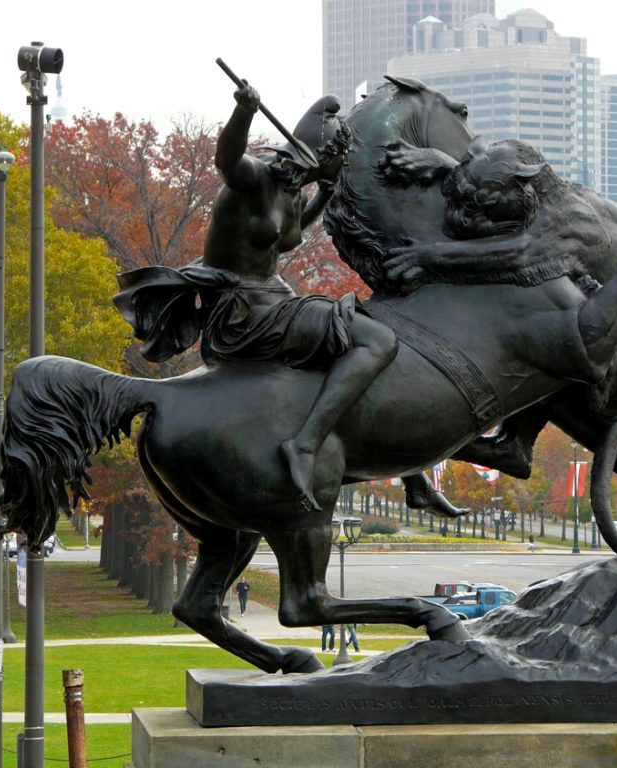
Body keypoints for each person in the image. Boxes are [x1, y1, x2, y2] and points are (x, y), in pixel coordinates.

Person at [114, 83, 465, 519]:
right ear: (319, 154)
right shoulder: (254, 180)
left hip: (274, 302)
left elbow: (289, 232)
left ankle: (414, 476)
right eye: (338, 161)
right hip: (242, 313)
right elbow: (226, 159)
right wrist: (243, 112)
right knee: (378, 341)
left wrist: (326, 195)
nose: (341, 168)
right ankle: (305, 445)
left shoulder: (294, 191)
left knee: (357, 341)